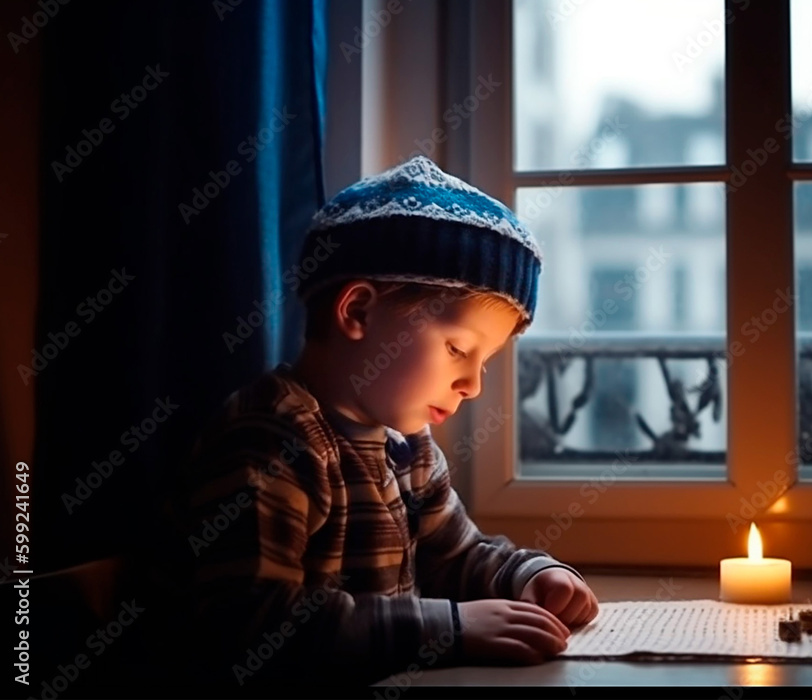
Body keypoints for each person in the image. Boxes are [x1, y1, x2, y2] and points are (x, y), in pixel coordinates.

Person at [164, 155, 599, 691]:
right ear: (359, 313)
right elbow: (252, 624)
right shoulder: (271, 440)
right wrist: (449, 628)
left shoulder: (410, 447)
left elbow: (455, 555)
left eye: (483, 362)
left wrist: (530, 576)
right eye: (459, 349)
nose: (474, 385)